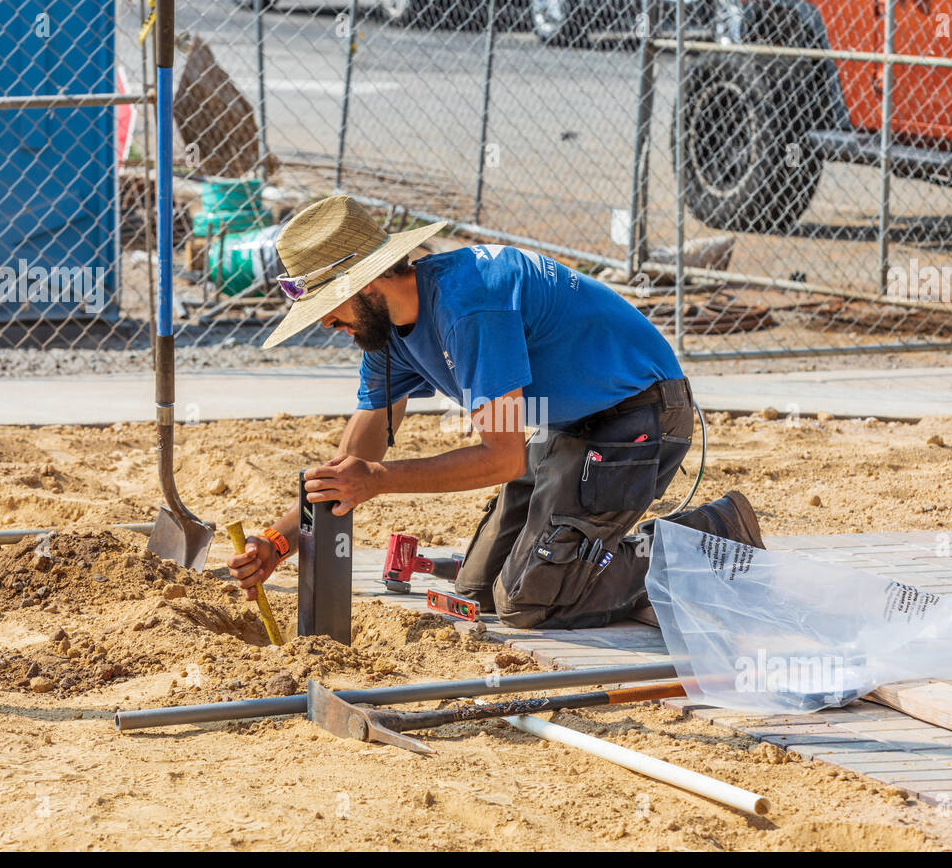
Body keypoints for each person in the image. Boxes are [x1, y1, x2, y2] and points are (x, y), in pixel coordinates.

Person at [228, 195, 763, 629]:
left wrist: (380, 479)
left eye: (328, 307)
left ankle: (713, 533)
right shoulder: (382, 331)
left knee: (529, 602)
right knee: (478, 590)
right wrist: (278, 542)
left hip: (639, 416)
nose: (325, 323)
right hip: (571, 423)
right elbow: (349, 465)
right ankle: (589, 562)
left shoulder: (470, 307)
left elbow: (502, 457)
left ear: (367, 282)